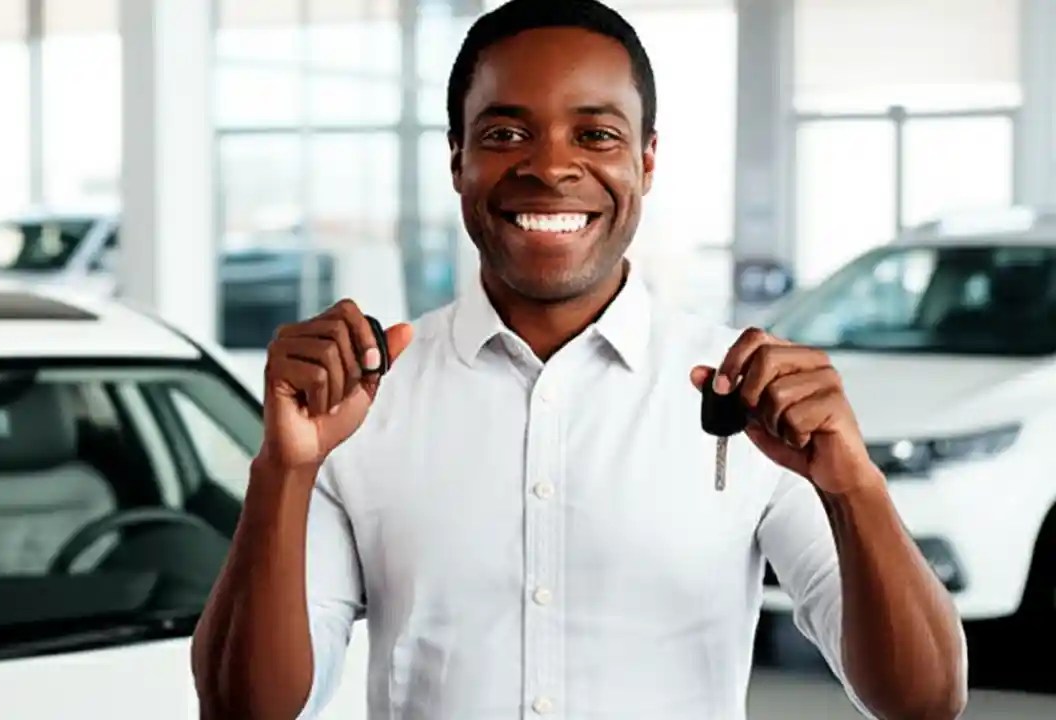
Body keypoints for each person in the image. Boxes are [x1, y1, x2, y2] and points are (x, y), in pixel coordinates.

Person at [192, 0, 969, 718]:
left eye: (595, 134)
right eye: (504, 134)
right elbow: (245, 709)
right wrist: (282, 470)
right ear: (457, 158)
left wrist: (855, 488)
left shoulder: (750, 398)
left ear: (648, 160)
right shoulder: (360, 401)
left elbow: (924, 701)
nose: (550, 167)